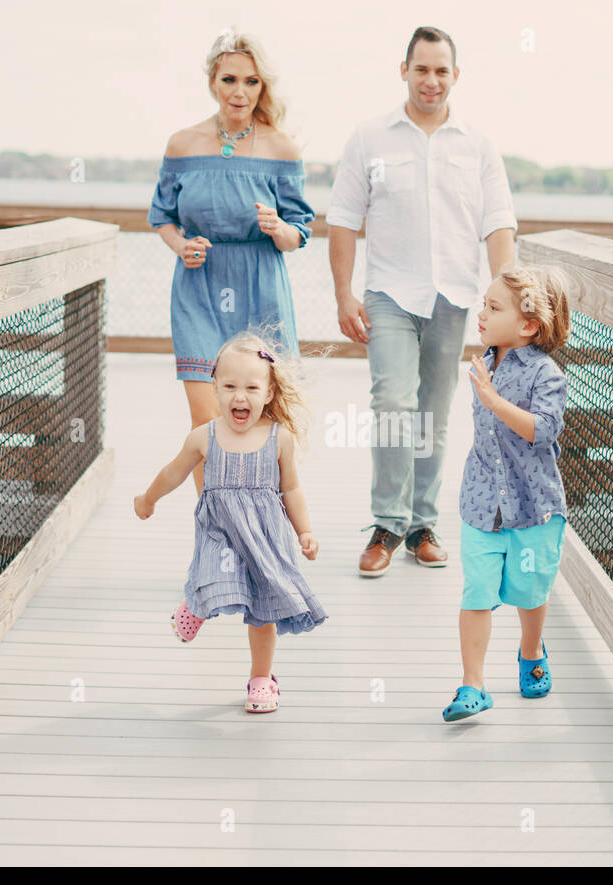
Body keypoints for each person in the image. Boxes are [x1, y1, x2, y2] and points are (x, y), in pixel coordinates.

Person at [327, 25, 518, 576]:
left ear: (455, 76)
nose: (430, 80)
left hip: (454, 297)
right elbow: (341, 218)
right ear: (404, 71)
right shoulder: (369, 137)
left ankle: (421, 525)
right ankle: (386, 524)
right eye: (421, 69)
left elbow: (497, 225)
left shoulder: (477, 145)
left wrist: (506, 304)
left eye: (441, 70)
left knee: (433, 415)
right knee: (392, 402)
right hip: (388, 293)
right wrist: (343, 293)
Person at [148, 27, 315, 492]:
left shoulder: (282, 148)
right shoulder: (182, 144)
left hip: (261, 286)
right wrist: (181, 246)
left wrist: (279, 228)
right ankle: (214, 533)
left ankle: (266, 527)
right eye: (229, 80)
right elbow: (161, 217)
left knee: (265, 419)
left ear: (263, 87)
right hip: (198, 287)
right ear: (212, 82)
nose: (239, 92)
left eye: (251, 81)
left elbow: (299, 232)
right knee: (207, 422)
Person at [133, 331, 326, 714]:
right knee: (218, 579)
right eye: (229, 386)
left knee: (264, 608)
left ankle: (261, 678)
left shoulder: (279, 438)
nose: (240, 396)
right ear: (215, 390)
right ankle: (195, 605)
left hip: (266, 538)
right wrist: (148, 498)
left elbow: (292, 489)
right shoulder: (203, 437)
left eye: (252, 387)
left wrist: (304, 530)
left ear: (269, 393)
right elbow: (173, 472)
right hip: (220, 532)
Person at [442, 267, 571, 721]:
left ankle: (531, 650)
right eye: (484, 303)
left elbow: (545, 429)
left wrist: (496, 402)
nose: (481, 313)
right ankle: (472, 685)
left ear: (528, 325)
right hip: (481, 504)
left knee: (529, 590)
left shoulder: (546, 374)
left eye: (494, 308)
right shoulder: (486, 361)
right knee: (477, 592)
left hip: (533, 508)